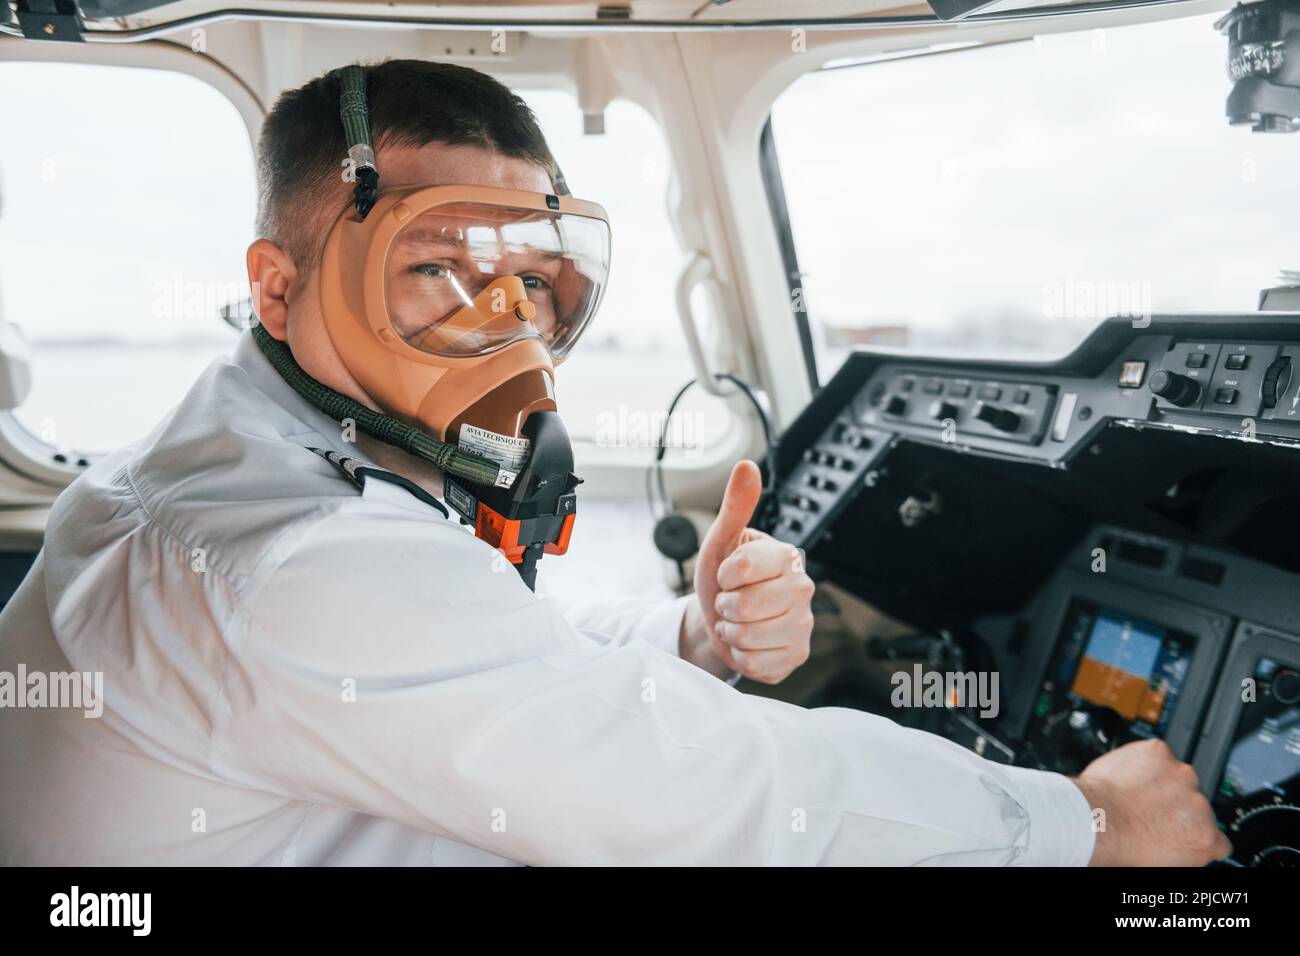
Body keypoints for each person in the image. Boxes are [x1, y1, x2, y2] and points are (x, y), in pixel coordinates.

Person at [0, 59, 1228, 866]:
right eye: (437, 268)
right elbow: (700, 798)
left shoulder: (249, 452)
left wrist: (685, 636)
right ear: (277, 283)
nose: (505, 329)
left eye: (531, 278)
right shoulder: (289, 557)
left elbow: (476, 652)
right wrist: (1086, 819)